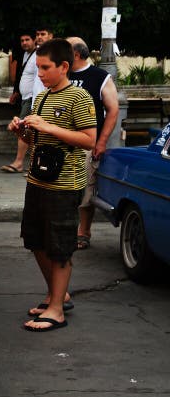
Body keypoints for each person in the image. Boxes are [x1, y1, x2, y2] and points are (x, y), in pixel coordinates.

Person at [7, 38, 97, 331]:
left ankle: (56, 310)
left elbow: (89, 140)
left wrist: (48, 126)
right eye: (38, 68)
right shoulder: (42, 98)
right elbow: (36, 139)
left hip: (64, 185)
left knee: (59, 247)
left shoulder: (79, 97)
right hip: (38, 179)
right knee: (35, 240)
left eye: (46, 68)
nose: (41, 74)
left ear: (64, 66)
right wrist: (21, 131)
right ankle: (57, 296)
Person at [66, 36, 119, 251]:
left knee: (86, 190)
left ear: (76, 54)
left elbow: (113, 110)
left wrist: (102, 142)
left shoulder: (100, 77)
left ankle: (83, 232)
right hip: (62, 141)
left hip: (87, 144)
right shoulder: (62, 74)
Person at [0, 27, 51, 173]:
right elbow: (26, 76)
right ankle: (31, 164)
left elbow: (41, 79)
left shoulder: (46, 54)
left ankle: (21, 163)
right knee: (29, 130)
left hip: (35, 98)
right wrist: (17, 92)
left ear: (50, 36)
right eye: (38, 34)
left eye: (42, 34)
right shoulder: (30, 54)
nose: (39, 37)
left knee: (26, 129)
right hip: (30, 98)